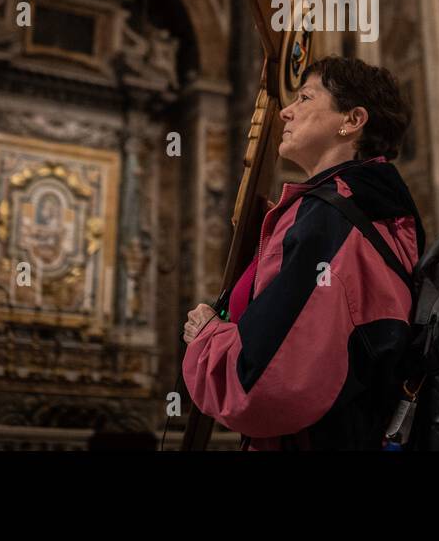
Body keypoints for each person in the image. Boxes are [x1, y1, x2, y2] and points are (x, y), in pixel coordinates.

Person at [181, 55, 426, 450]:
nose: (286, 114)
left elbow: (265, 384)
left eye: (305, 98)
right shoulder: (369, 207)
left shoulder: (332, 218)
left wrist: (207, 336)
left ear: (353, 120)